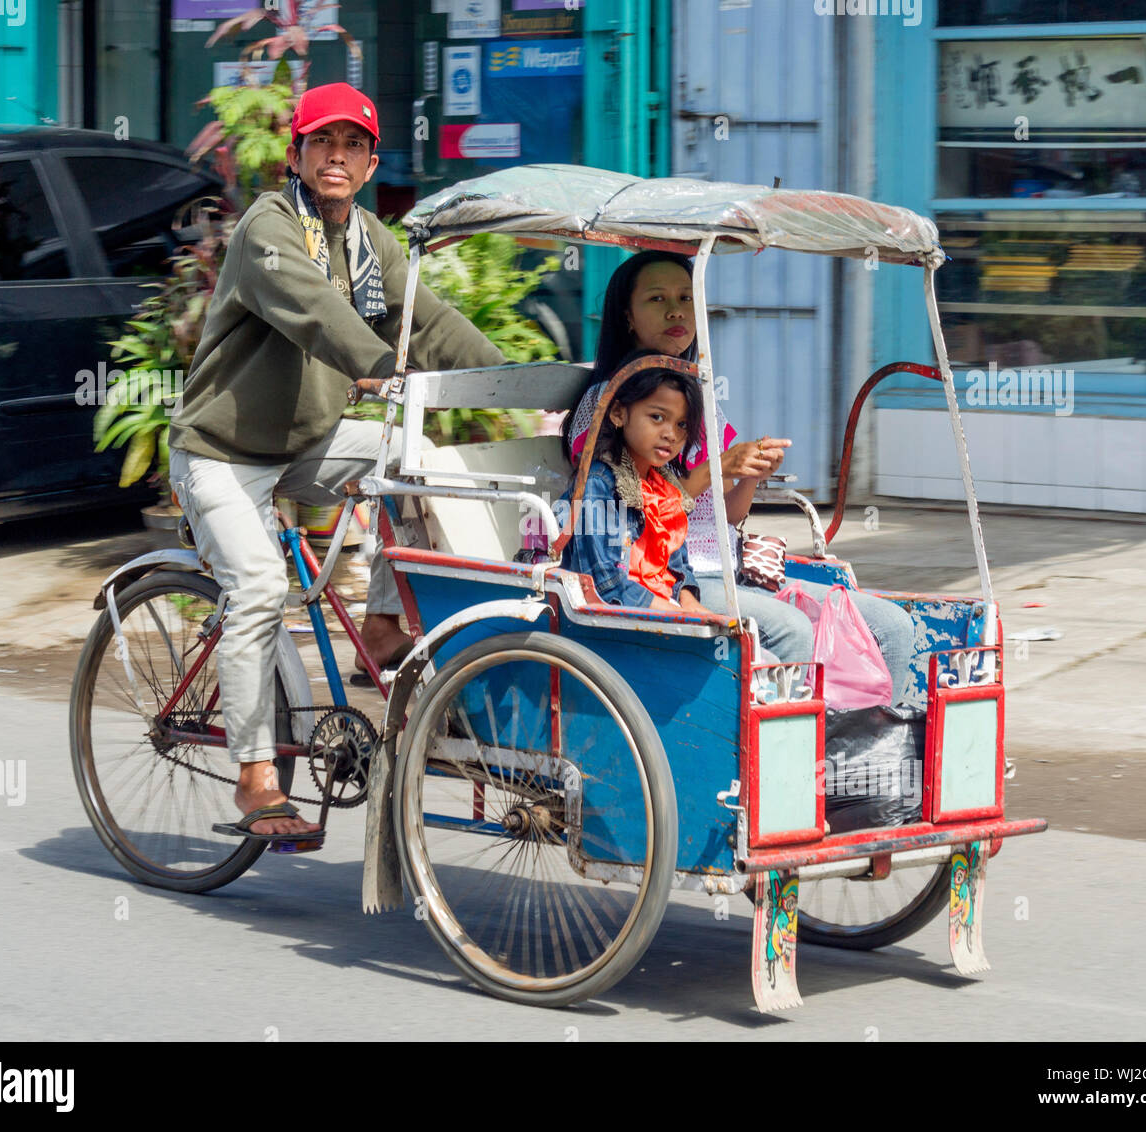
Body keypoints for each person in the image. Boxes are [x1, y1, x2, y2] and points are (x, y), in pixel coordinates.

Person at [167, 84, 505, 843]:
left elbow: (428, 316)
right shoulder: (269, 227)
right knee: (258, 589)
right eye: (324, 143)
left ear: (370, 161)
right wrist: (382, 367)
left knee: (416, 457)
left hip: (304, 443)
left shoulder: (367, 239)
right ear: (298, 155)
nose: (338, 157)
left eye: (353, 146)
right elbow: (314, 310)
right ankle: (255, 779)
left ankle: (383, 626)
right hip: (220, 454)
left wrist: (515, 384)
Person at [564, 251, 915, 702]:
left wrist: (748, 475)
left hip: (734, 570)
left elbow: (727, 516)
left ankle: (877, 745)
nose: (677, 310)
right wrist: (716, 468)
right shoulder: (608, 404)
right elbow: (635, 517)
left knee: (891, 625)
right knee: (791, 632)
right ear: (627, 317)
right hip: (674, 580)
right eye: (657, 298)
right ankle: (797, 755)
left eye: (687, 298)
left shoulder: (696, 401)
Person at [558, 362, 715, 615]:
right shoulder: (599, 484)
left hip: (660, 608)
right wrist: (680, 615)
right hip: (619, 618)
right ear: (619, 413)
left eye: (682, 425)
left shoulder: (665, 489)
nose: (671, 434)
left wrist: (691, 605)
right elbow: (603, 585)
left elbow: (679, 568)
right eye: (657, 417)